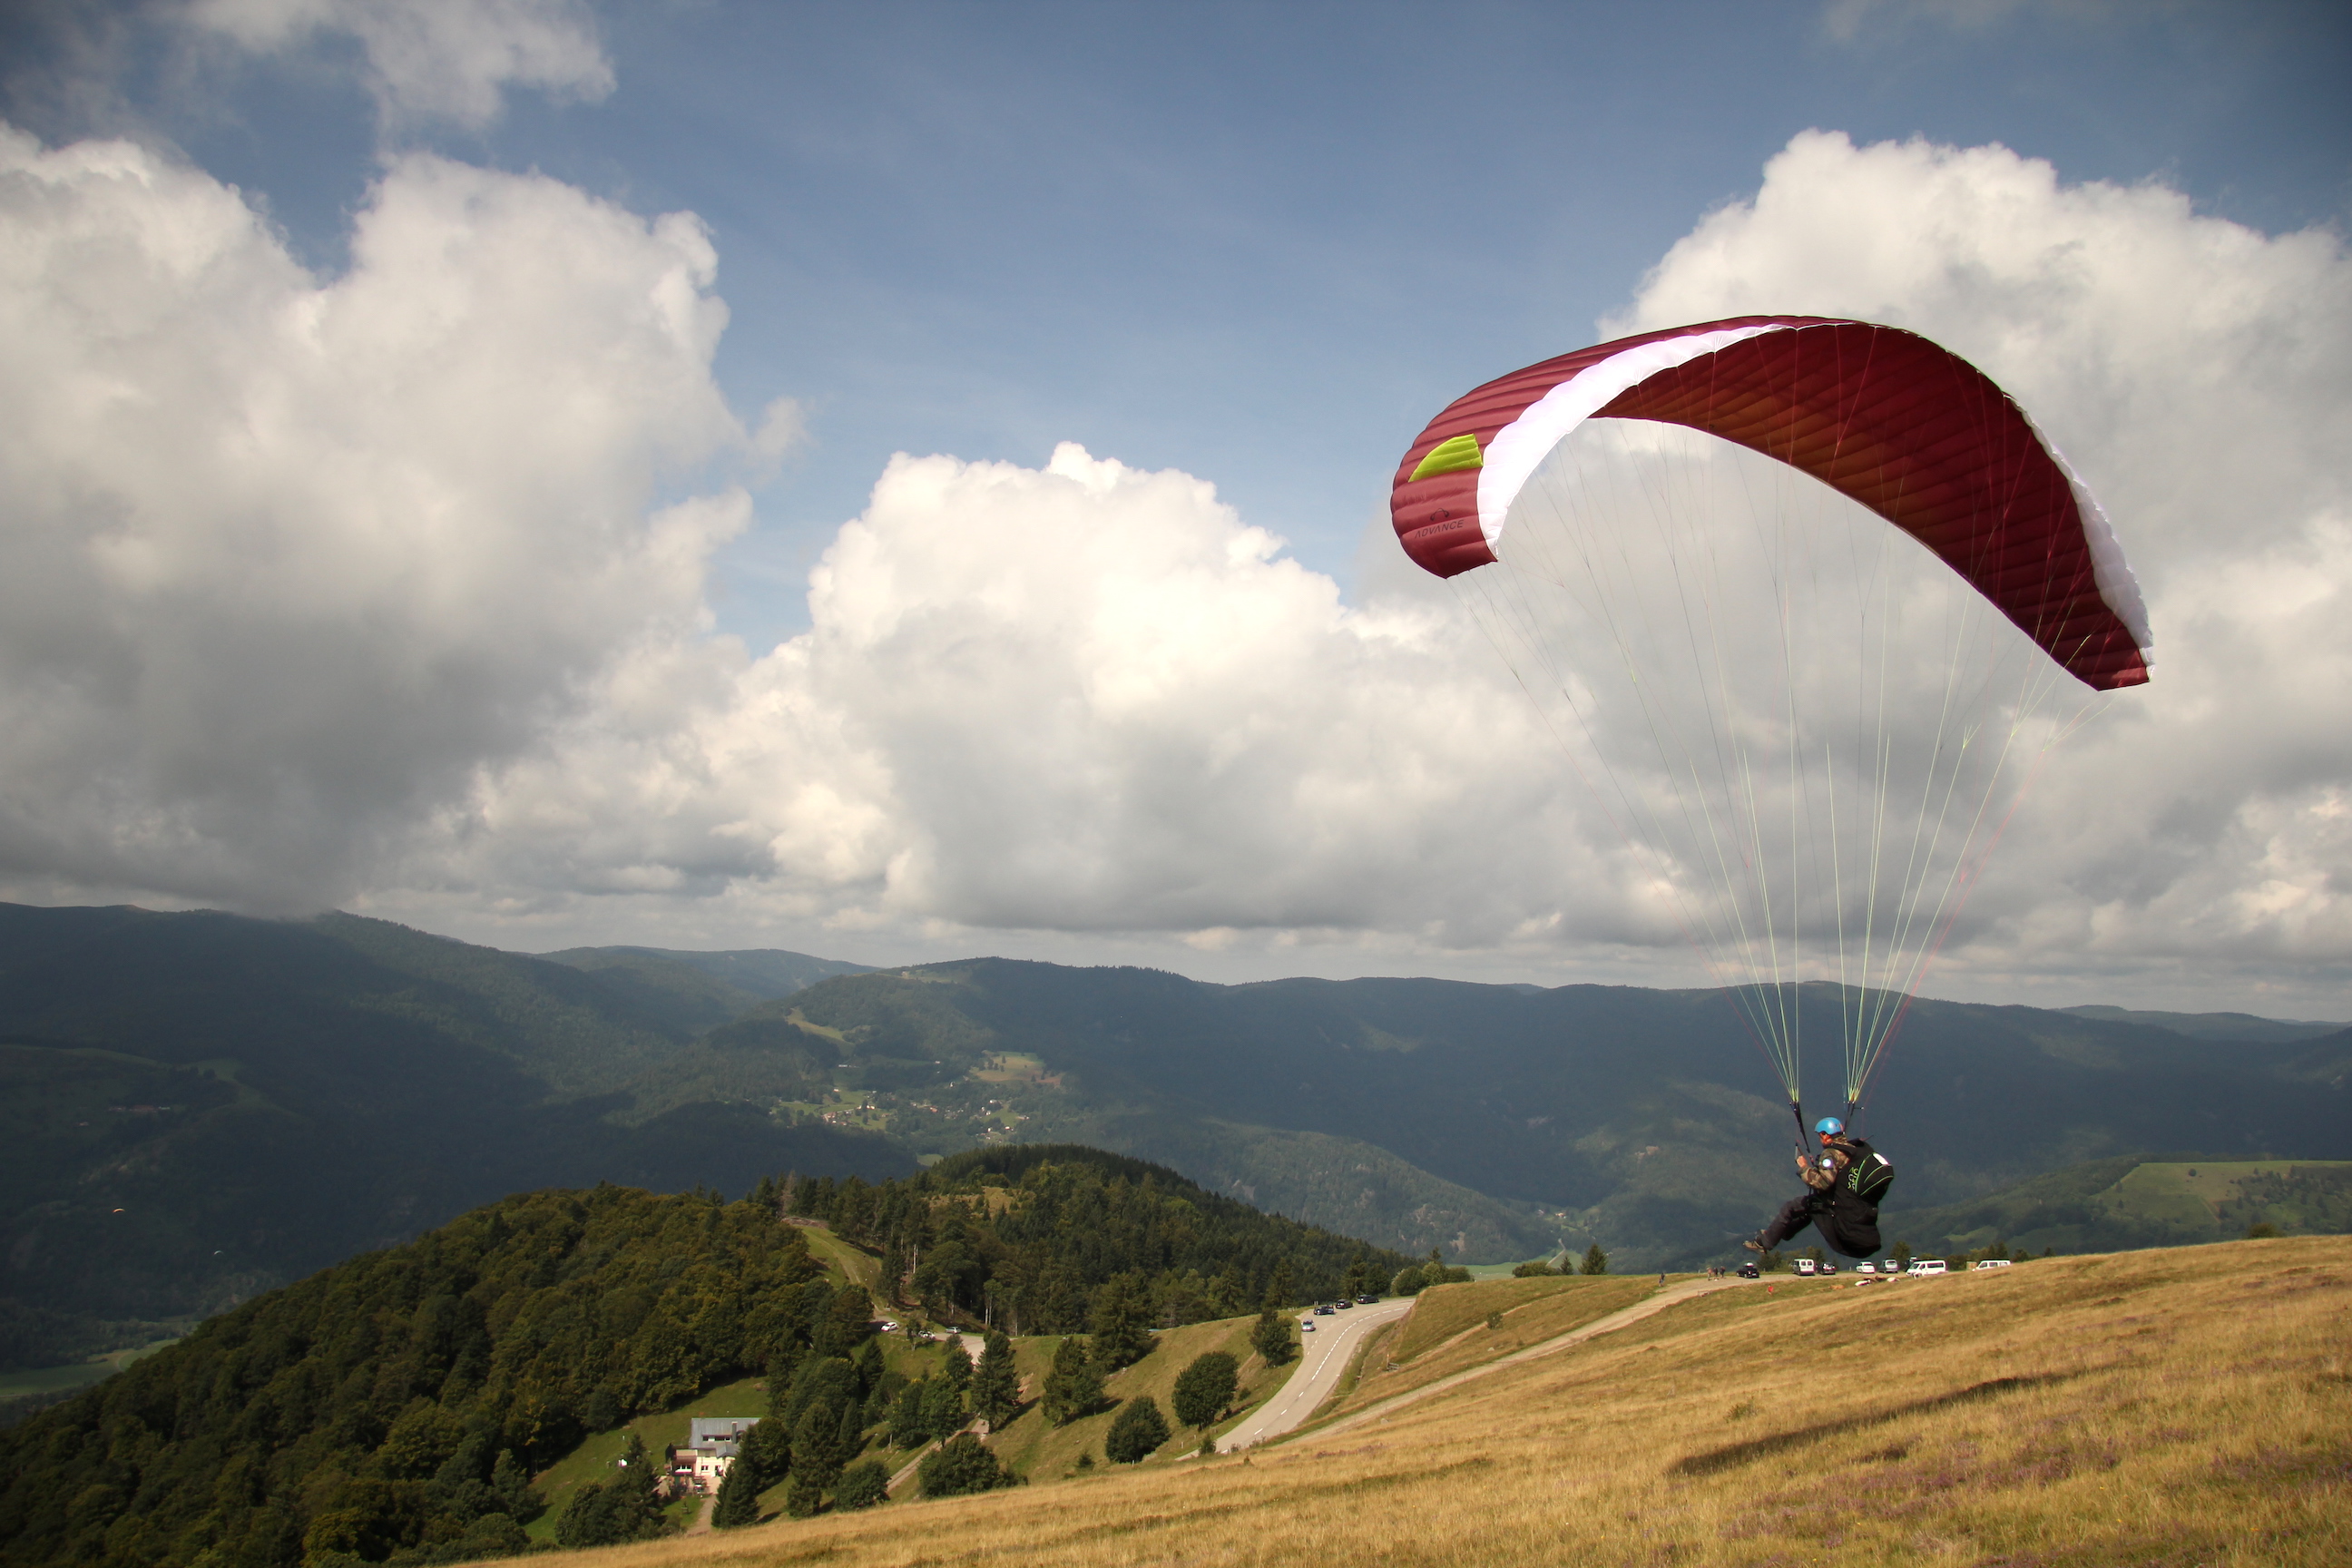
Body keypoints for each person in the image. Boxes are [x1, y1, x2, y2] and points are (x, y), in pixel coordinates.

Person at [1745, 1118, 1886, 1260]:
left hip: (1833, 1205)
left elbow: (1823, 1183)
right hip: (1848, 1203)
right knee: (1806, 1210)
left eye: (1820, 1135)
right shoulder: (1853, 1150)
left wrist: (1804, 1167)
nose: (1820, 1139)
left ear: (1826, 1135)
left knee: (1792, 1207)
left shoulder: (1831, 1154)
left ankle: (1765, 1243)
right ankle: (1782, 1233)